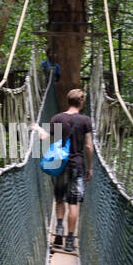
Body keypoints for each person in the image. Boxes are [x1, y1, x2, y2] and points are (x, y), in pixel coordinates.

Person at [49, 87, 93, 252]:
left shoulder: (56, 118)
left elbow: (47, 138)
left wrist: (38, 130)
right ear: (81, 102)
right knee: (73, 202)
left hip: (59, 164)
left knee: (60, 198)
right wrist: (90, 167)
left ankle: (58, 229)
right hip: (77, 165)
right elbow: (88, 146)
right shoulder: (85, 121)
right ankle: (69, 240)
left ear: (68, 101)